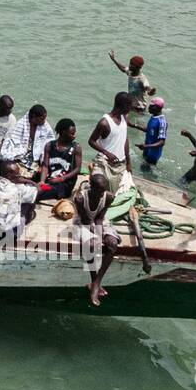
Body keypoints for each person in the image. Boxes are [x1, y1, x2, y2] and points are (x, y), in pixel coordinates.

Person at [72, 173, 119, 306]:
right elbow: (87, 220)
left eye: (103, 190)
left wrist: (99, 234)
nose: (101, 194)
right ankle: (94, 281)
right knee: (92, 245)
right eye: (98, 190)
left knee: (112, 244)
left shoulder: (109, 197)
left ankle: (97, 282)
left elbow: (99, 218)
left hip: (99, 221)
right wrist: (96, 238)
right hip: (82, 222)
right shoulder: (80, 198)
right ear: (90, 187)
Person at [0, 160, 39, 241]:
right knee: (28, 202)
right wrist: (26, 180)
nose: (19, 176)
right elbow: (37, 189)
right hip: (7, 237)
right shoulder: (20, 189)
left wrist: (3, 177)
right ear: (9, 176)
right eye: (17, 174)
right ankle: (27, 218)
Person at [88, 92, 134, 192]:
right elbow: (91, 141)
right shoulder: (104, 123)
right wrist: (107, 153)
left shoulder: (124, 118)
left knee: (124, 190)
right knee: (100, 188)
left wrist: (128, 162)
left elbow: (125, 139)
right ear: (123, 106)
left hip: (120, 163)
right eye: (129, 106)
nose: (131, 108)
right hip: (105, 162)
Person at [0, 103, 55, 175]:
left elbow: (50, 142)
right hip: (20, 157)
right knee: (10, 168)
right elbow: (11, 142)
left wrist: (42, 163)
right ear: (34, 117)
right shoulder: (20, 124)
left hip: (36, 159)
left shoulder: (45, 127)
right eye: (42, 118)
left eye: (45, 118)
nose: (44, 121)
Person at [39, 119, 81, 200]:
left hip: (64, 184)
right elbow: (45, 166)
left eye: (74, 133)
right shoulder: (49, 145)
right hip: (49, 179)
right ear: (63, 132)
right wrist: (42, 181)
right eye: (72, 133)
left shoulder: (76, 147)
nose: (74, 136)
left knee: (39, 191)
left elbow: (77, 169)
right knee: (33, 184)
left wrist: (61, 178)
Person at [135, 97, 168, 170]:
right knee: (143, 169)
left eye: (151, 106)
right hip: (147, 149)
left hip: (153, 153)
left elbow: (161, 142)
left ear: (156, 107)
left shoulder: (162, 122)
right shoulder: (153, 116)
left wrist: (146, 146)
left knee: (145, 170)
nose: (148, 108)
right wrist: (133, 125)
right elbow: (149, 130)